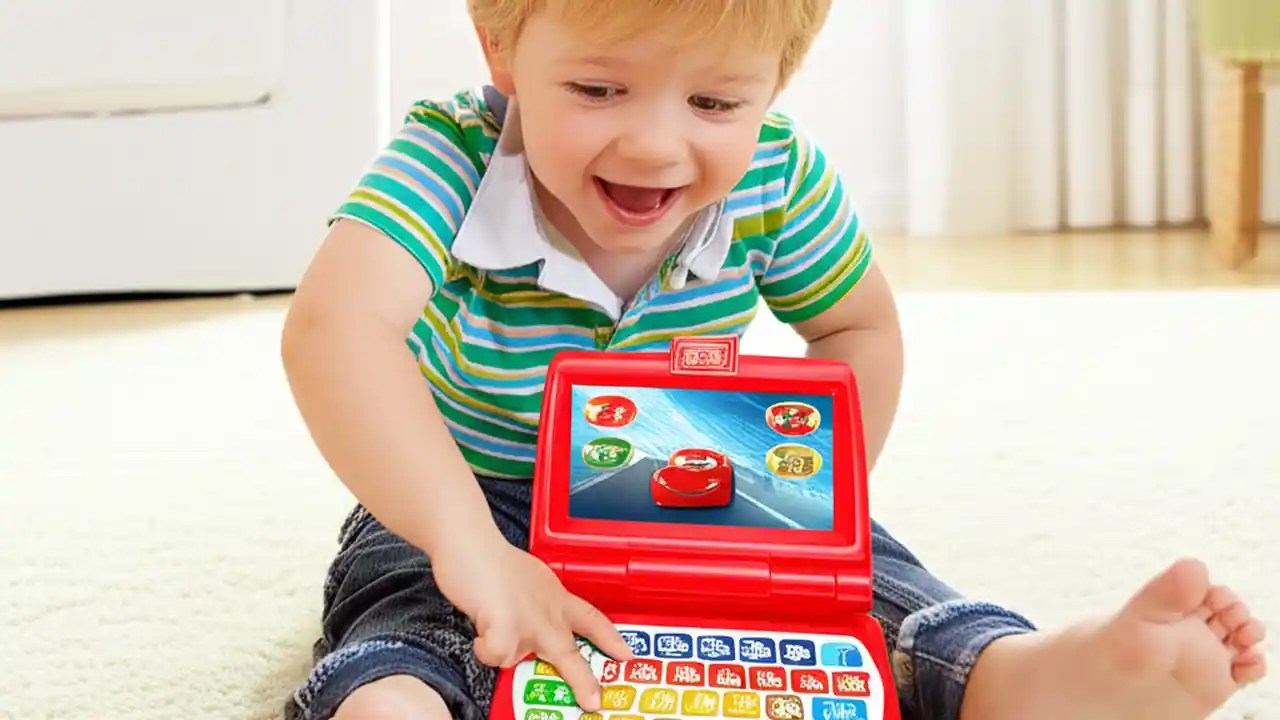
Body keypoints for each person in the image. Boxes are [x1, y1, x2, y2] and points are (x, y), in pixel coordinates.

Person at [279, 1, 1268, 718]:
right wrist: (470, 547)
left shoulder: (779, 176)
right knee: (413, 604)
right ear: (500, 47)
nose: (656, 144)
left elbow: (857, 330)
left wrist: (813, 517)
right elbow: (338, 330)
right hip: (470, 489)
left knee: (867, 597)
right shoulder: (447, 156)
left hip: (692, 492)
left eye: (714, 101)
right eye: (596, 88)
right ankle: (396, 699)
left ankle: (1020, 676)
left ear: (774, 87)